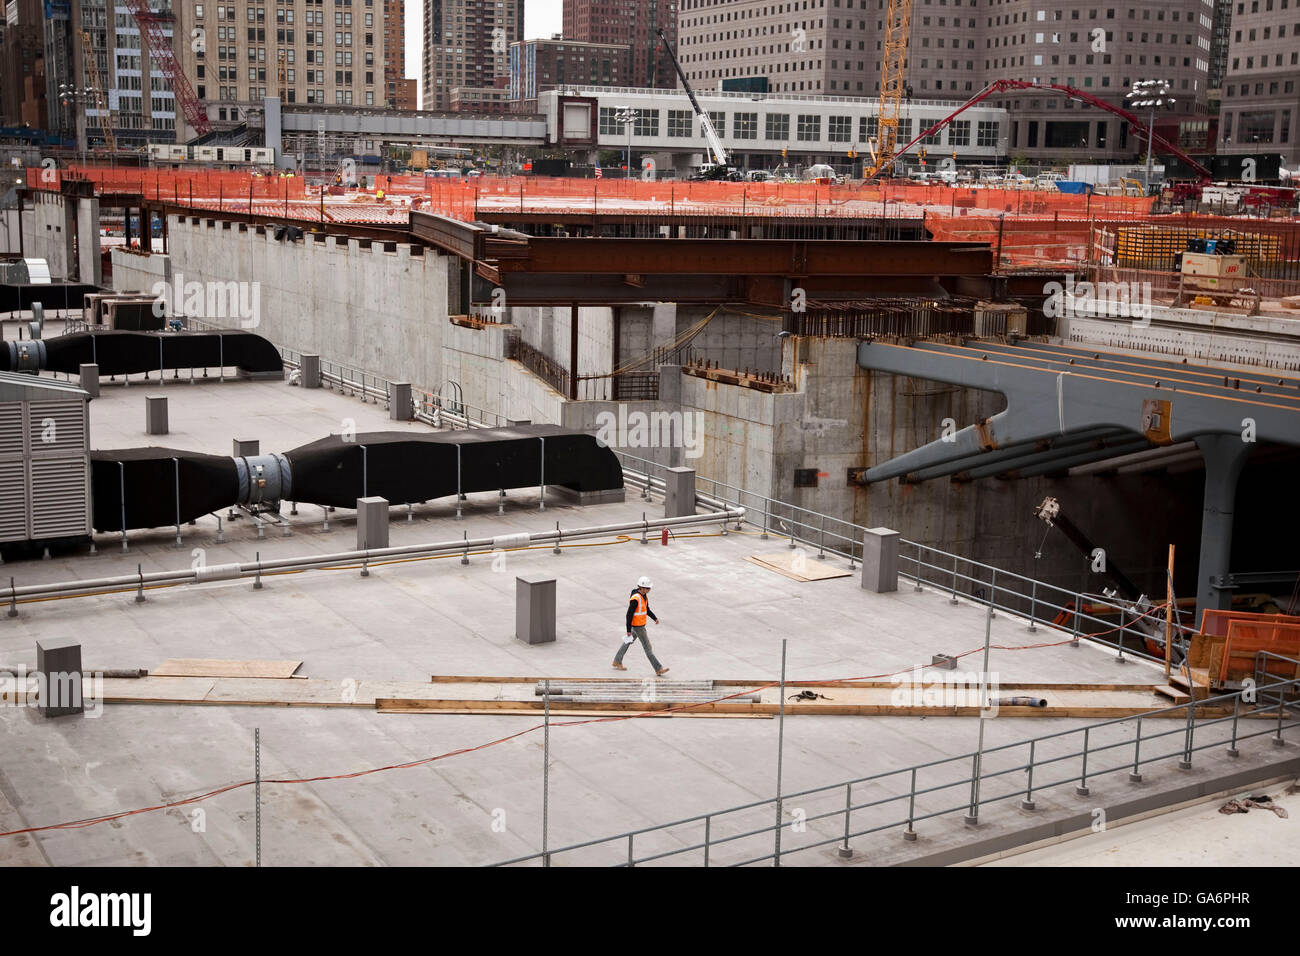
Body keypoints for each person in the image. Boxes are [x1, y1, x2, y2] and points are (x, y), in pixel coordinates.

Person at [614, 576, 669, 675]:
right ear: (642, 588)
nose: (649, 590)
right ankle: (658, 668)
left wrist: (654, 618)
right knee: (648, 648)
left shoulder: (643, 595)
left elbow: (646, 609)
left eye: (649, 588)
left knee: (627, 641)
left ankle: (617, 661)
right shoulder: (635, 599)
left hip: (638, 625)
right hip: (638, 626)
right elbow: (629, 614)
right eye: (648, 588)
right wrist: (628, 629)